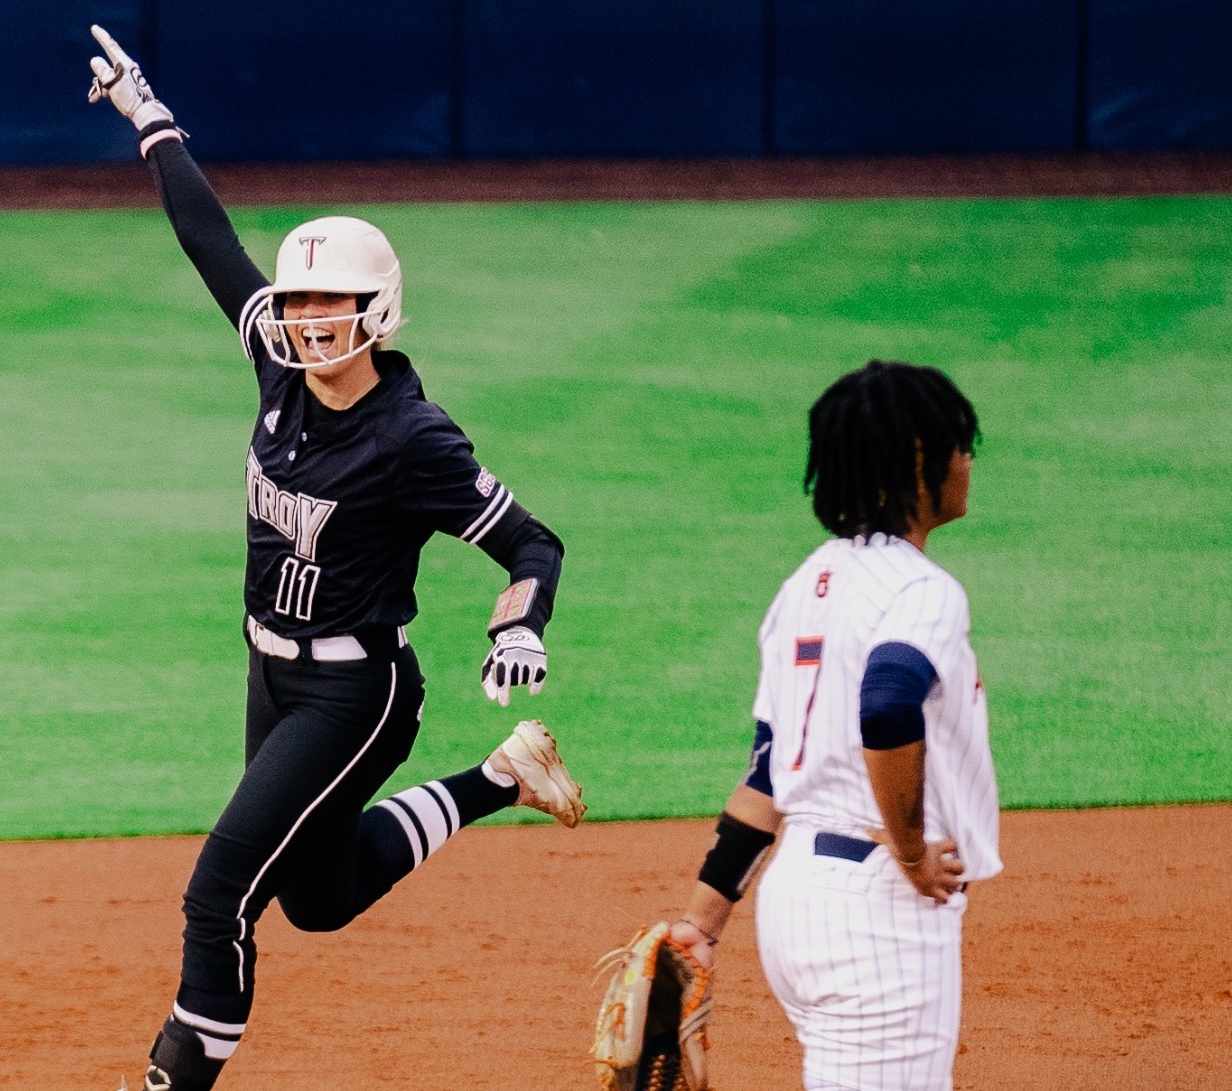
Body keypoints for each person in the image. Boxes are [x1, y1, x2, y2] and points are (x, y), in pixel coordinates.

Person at [85, 26, 587, 1091]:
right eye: (300, 301)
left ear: (376, 311)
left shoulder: (413, 438)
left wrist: (519, 623)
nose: (309, 321)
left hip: (354, 691)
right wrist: (148, 119)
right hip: (269, 672)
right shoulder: (277, 367)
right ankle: (501, 775)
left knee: (219, 892)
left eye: (331, 304)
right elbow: (211, 244)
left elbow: (529, 540)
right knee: (313, 895)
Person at [664, 360, 1000, 1091]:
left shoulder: (805, 584)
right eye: (959, 443)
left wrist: (702, 921)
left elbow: (766, 772)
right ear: (918, 458)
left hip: (798, 905)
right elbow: (887, 701)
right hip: (879, 913)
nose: (969, 460)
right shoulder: (922, 590)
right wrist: (911, 851)